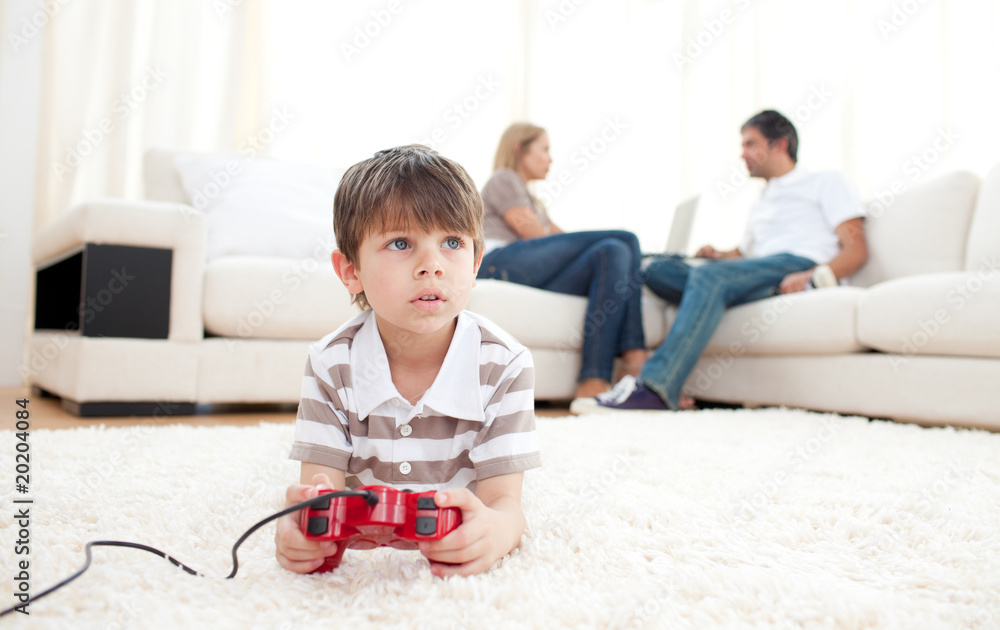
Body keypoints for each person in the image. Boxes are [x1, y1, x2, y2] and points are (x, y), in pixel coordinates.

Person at [274, 145, 541, 577]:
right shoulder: (331, 363)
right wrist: (303, 534)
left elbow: (505, 505)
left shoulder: (504, 364)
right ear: (350, 271)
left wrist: (493, 533)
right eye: (400, 243)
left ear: (476, 262)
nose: (431, 266)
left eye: (452, 242)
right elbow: (319, 496)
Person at [575, 110, 868, 412]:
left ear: (779, 145)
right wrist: (719, 255)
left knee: (708, 278)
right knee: (656, 270)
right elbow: (744, 254)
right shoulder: (762, 201)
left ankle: (656, 387)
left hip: (797, 263)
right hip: (760, 271)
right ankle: (745, 291)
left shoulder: (825, 182)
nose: (743, 154)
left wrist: (814, 275)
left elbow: (856, 248)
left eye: (750, 144)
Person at [478, 122, 648, 399]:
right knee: (627, 239)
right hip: (500, 263)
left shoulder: (533, 202)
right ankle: (635, 357)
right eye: (544, 150)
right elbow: (534, 234)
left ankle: (593, 381)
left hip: (531, 271)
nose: (550, 159)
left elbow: (561, 240)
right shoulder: (503, 179)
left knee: (613, 251)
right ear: (520, 149)